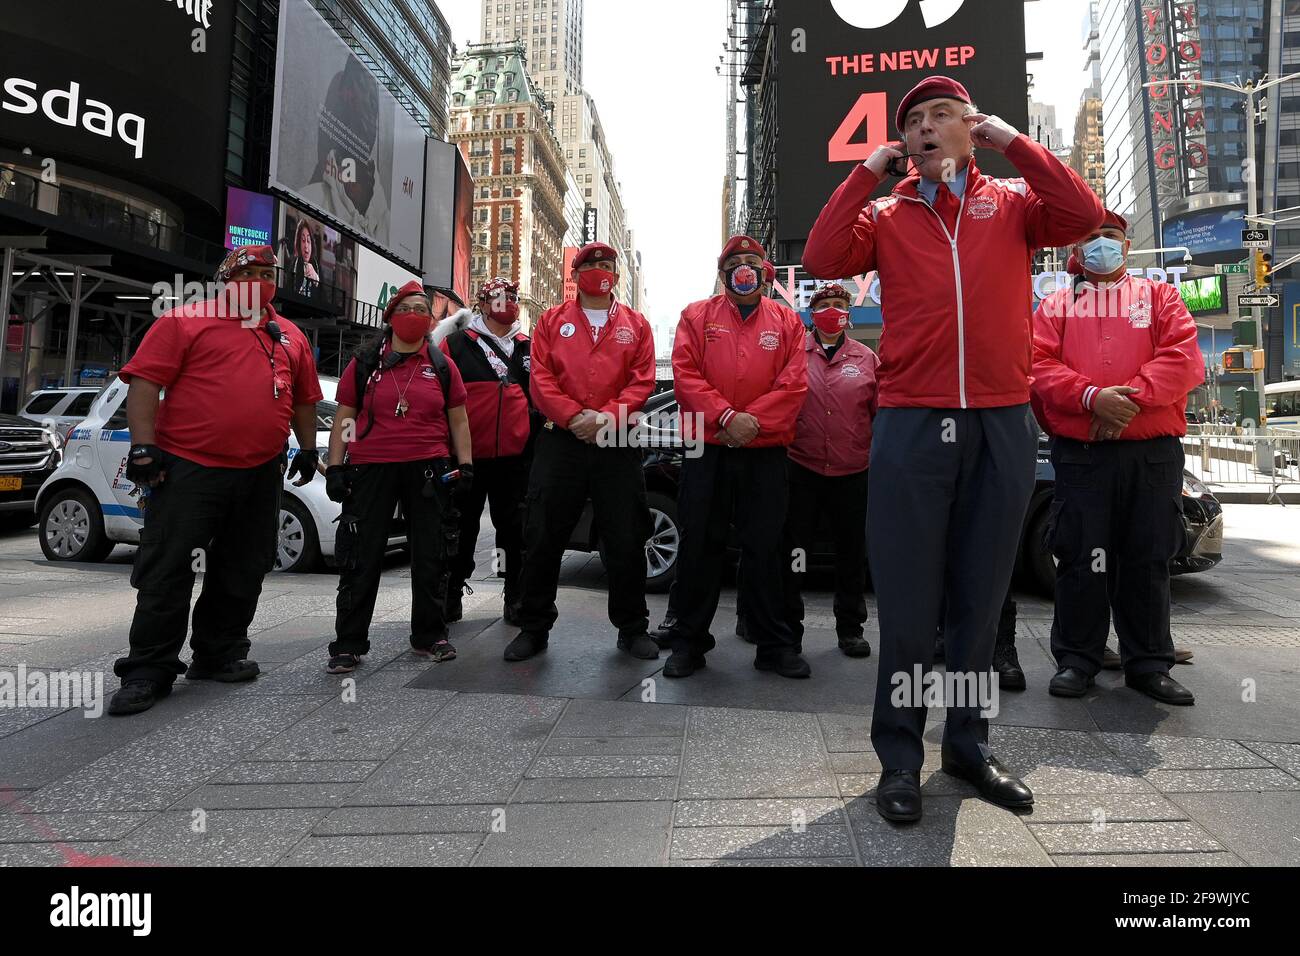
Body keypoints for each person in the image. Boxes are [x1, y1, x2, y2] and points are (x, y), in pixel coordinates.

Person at [803, 75, 1103, 822]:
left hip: (1002, 420)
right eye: (916, 121)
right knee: (907, 605)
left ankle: (967, 749)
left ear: (971, 127)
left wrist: (1015, 142)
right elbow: (822, 256)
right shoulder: (887, 214)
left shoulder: (1013, 206)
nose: (929, 127)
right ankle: (900, 759)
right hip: (911, 422)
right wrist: (868, 171)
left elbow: (1083, 214)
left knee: (980, 599)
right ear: (904, 142)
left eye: (944, 115)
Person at [107, 244, 323, 715]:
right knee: (167, 568)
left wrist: (307, 448)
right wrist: (143, 447)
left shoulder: (289, 335)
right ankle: (148, 670)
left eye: (269, 273)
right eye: (251, 271)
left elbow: (305, 399)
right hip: (188, 467)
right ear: (227, 278)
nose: (262, 280)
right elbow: (144, 383)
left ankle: (219, 653)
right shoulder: (183, 321)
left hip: (260, 470)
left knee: (243, 566)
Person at [1031, 209, 1201, 705]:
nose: (1100, 243)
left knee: (1148, 558)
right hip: (1083, 455)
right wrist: (1089, 399)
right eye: (1089, 237)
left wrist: (1125, 404)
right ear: (1075, 252)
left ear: (1126, 247)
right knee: (1080, 557)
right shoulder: (1056, 306)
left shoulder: (1161, 297)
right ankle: (1077, 660)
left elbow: (1183, 358)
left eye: (1109, 235)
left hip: (1152, 455)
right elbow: (1038, 367)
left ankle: (1148, 663)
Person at [664, 235, 809, 678]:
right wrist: (726, 417)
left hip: (764, 452)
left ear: (766, 272)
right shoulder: (696, 316)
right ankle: (688, 643)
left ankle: (774, 644)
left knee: (767, 549)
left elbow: (794, 385)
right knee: (699, 547)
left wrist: (751, 423)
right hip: (708, 449)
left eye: (752, 261)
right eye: (735, 262)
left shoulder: (787, 322)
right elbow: (685, 376)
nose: (743, 268)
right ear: (722, 271)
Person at [505, 241, 657, 662]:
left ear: (616, 275)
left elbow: (641, 382)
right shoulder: (552, 321)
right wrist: (575, 418)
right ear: (576, 274)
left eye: (608, 264)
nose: (600, 270)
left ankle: (632, 627)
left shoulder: (636, 324)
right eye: (591, 264)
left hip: (616, 440)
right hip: (560, 439)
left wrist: (606, 418)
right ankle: (533, 626)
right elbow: (541, 381)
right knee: (542, 534)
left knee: (626, 536)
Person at [324, 281, 472, 673]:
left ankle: (430, 635)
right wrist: (336, 465)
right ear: (390, 317)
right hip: (371, 468)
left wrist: (466, 464)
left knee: (432, 554)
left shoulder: (441, 365)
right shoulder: (366, 362)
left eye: (422, 308)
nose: (415, 314)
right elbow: (345, 416)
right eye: (406, 307)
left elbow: (458, 418)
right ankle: (348, 642)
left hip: (429, 468)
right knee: (361, 555)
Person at [783, 283, 878, 658]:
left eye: (840, 305)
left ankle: (851, 628)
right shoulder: (794, 355)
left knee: (851, 554)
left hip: (853, 471)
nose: (832, 311)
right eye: (825, 305)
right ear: (812, 312)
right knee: (794, 553)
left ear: (848, 314)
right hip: (801, 467)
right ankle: (789, 628)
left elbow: (880, 413)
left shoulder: (867, 359)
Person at [440, 277, 538, 625]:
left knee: (514, 530)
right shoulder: (456, 344)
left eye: (512, 296)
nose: (507, 302)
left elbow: (540, 401)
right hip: (467, 458)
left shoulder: (529, 347)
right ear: (482, 302)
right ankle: (451, 594)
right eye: (499, 297)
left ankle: (515, 596)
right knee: (460, 527)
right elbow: (442, 399)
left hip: (515, 459)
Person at [288, 219, 320, 298]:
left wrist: (316, 279)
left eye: (308, 241)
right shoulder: (293, 264)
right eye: (303, 240)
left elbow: (324, 297)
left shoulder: (317, 265)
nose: (306, 245)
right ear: (298, 243)